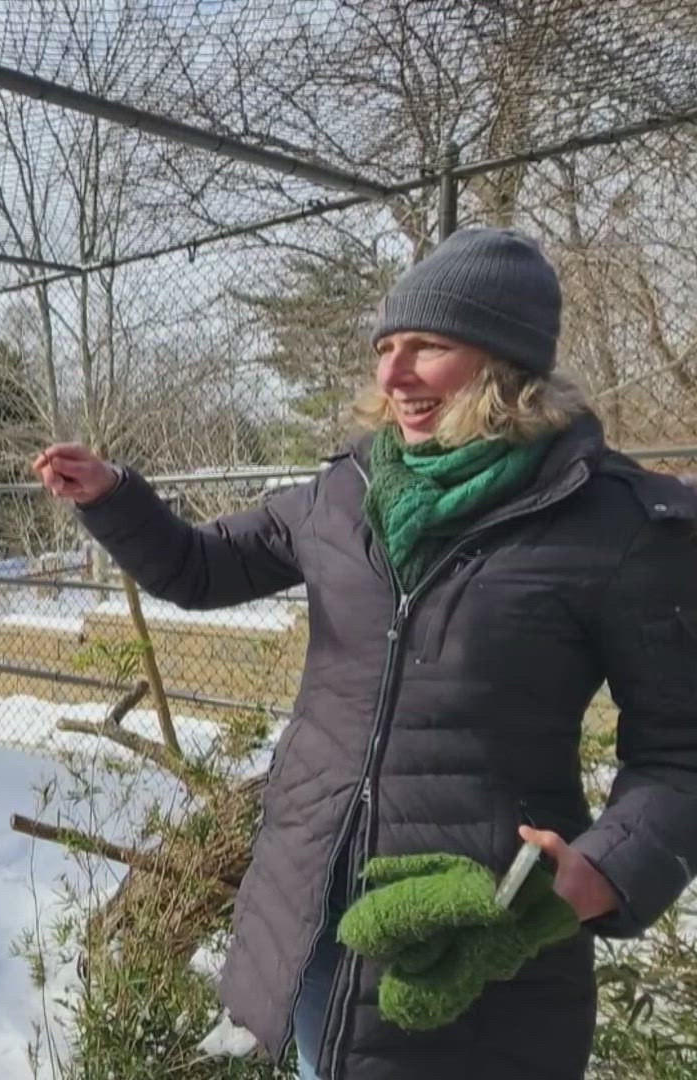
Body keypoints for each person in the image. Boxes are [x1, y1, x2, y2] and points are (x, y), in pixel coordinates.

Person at [34, 227, 697, 1079]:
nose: (393, 375)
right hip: (311, 909)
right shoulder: (342, 494)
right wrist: (115, 498)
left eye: (429, 346)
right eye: (386, 348)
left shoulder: (616, 524)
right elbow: (199, 569)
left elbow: (682, 753)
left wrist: (602, 873)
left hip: (468, 932)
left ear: (506, 361)